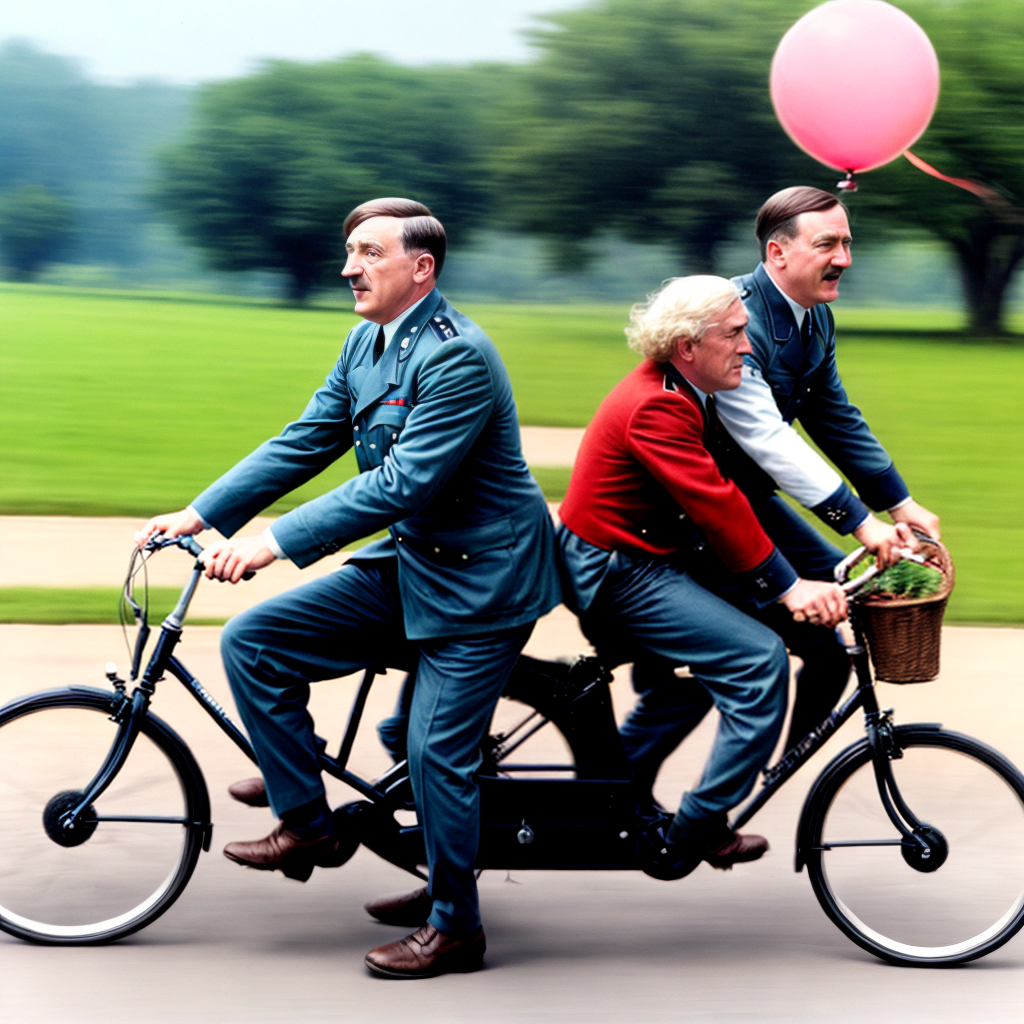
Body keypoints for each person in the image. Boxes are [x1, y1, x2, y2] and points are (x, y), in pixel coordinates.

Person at [137, 197, 561, 979]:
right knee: (256, 643)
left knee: (437, 752)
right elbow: (306, 439)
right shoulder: (365, 342)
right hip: (415, 562)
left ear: (420, 268)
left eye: (368, 252)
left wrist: (270, 544)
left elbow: (404, 481)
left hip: (483, 584)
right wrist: (201, 515)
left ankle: (456, 928)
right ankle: (309, 823)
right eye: (349, 251)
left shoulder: (456, 354)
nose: (347, 268)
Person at [629, 187, 939, 791]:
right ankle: (669, 770)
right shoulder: (734, 319)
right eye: (828, 243)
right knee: (777, 637)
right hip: (698, 514)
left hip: (750, 503)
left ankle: (780, 766)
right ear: (777, 252)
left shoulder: (815, 317)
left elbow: (833, 415)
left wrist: (900, 502)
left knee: (839, 610)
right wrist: (860, 522)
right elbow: (768, 438)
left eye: (847, 242)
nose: (845, 257)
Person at [556, 275, 847, 880]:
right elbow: (717, 504)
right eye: (736, 334)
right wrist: (791, 589)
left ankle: (608, 802)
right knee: (757, 660)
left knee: (682, 687)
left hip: (646, 558)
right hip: (617, 572)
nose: (748, 345)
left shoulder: (689, 391)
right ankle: (697, 827)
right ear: (688, 346)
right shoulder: (658, 404)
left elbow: (731, 501)